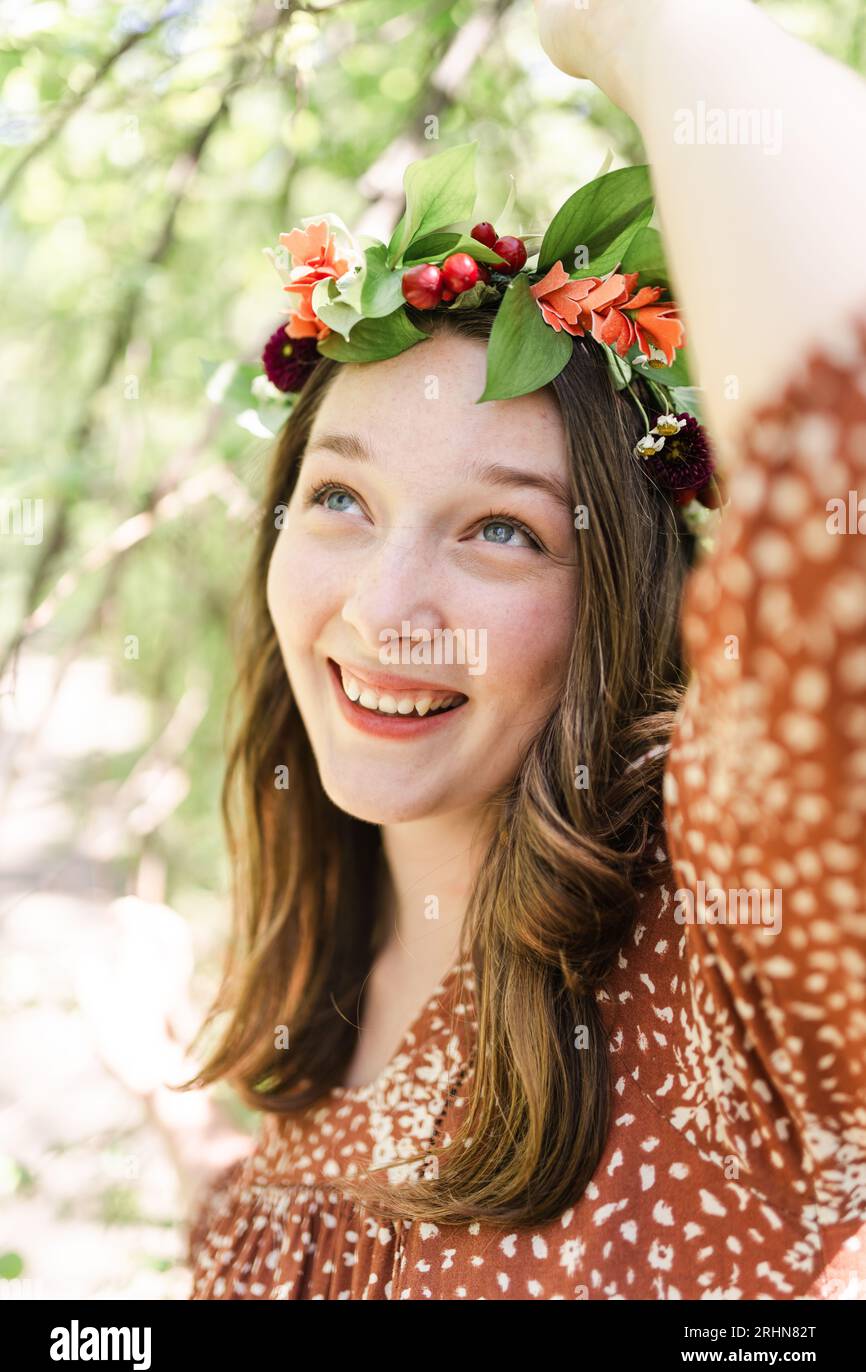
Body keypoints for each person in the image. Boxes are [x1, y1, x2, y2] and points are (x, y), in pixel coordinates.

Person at [180, 0, 866, 1299]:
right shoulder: (289, 1011)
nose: (387, 610)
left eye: (500, 528)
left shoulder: (715, 957)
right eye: (339, 497)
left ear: (617, 596)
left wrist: (638, 29)